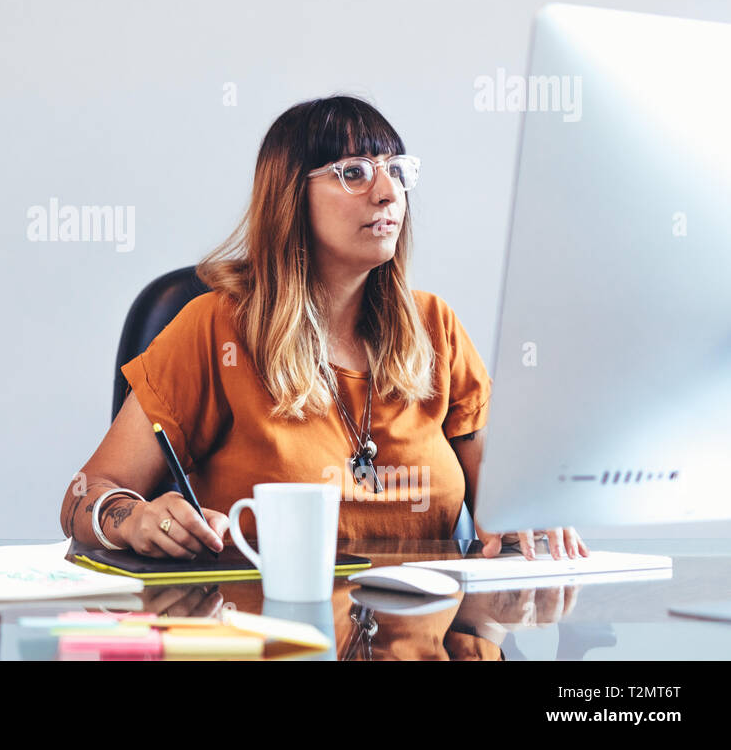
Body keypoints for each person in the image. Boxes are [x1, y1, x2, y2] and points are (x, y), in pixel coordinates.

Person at [59, 95, 588, 562]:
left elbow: (503, 507)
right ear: (290, 196)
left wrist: (527, 516)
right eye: (354, 171)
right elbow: (84, 496)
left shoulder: (436, 328)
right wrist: (134, 519)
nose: (388, 192)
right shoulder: (214, 327)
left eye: (396, 170)